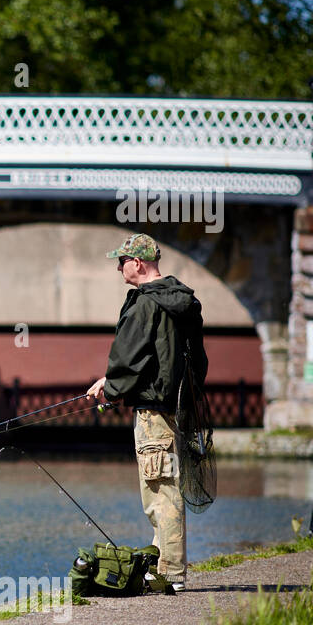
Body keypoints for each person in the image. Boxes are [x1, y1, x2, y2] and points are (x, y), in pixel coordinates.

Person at [86, 234, 208, 592]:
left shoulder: (144, 304)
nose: (118, 269)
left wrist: (110, 388)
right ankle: (160, 569)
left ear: (137, 263)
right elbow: (187, 360)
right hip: (179, 409)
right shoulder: (184, 302)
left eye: (121, 262)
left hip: (154, 415)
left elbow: (129, 358)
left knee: (161, 492)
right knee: (166, 488)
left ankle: (170, 574)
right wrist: (114, 382)